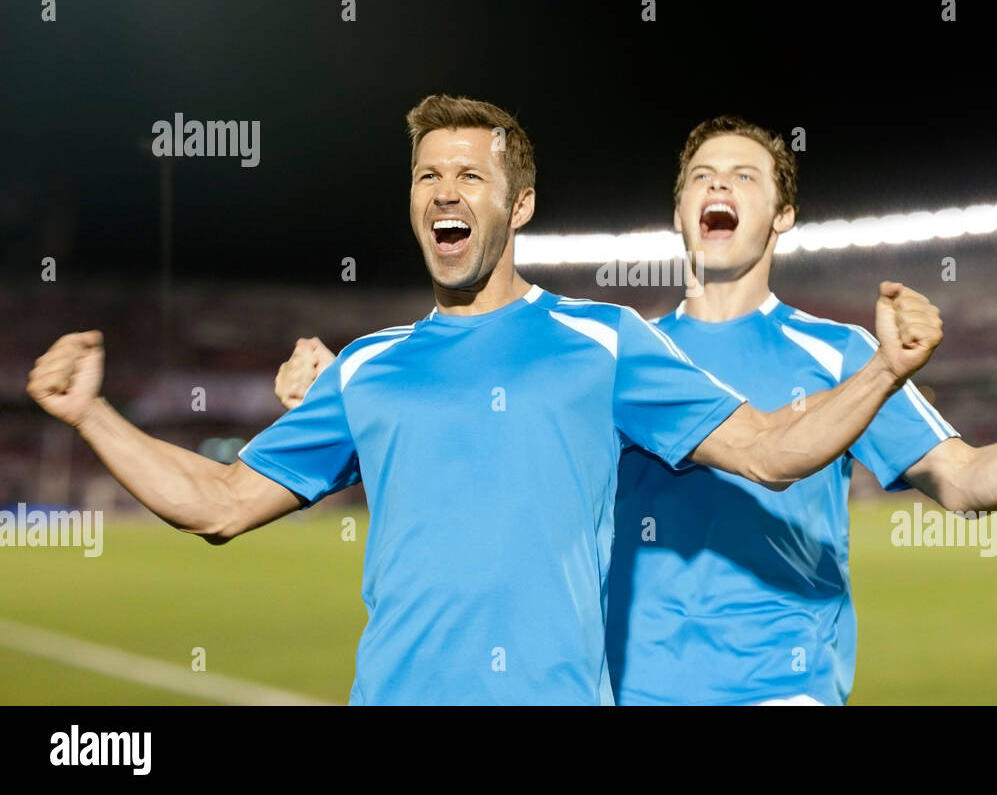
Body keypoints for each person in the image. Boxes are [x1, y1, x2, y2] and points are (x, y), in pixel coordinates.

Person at [26, 95, 946, 705]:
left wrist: (881, 371)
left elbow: (769, 450)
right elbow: (219, 505)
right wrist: (91, 417)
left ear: (522, 203)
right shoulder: (369, 367)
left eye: (472, 175)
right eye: (429, 175)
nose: (446, 191)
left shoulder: (605, 343)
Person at [280, 115, 997, 706]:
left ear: (782, 214)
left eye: (744, 177)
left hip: (776, 684)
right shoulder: (607, 355)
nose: (719, 187)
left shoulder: (838, 355)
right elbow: (468, 433)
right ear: (681, 211)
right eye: (701, 179)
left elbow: (967, 479)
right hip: (625, 686)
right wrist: (335, 392)